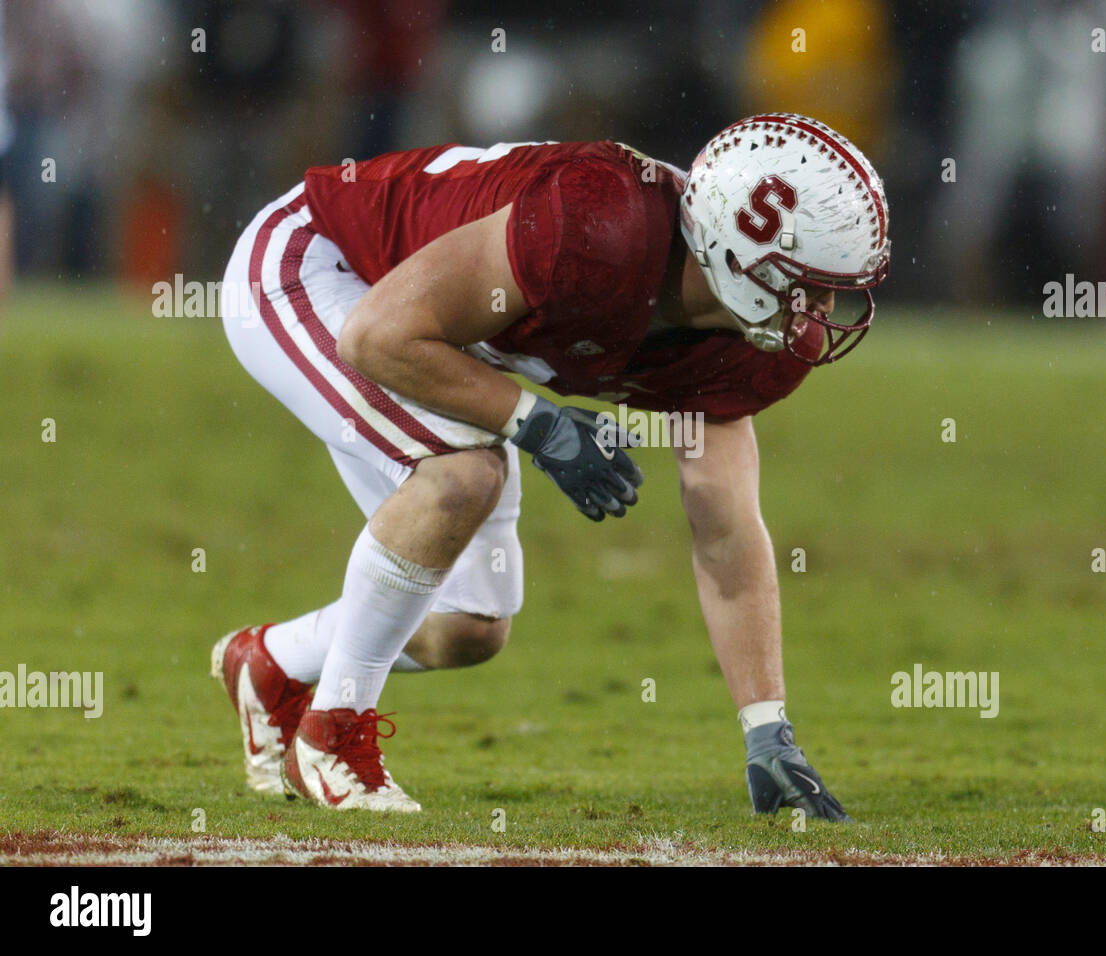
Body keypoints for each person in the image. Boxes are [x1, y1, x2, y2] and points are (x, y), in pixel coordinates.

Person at [213, 113, 890, 818]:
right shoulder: (601, 223)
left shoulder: (753, 343)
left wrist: (767, 732)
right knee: (463, 474)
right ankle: (334, 735)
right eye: (810, 283)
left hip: (433, 328)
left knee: (471, 623)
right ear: (736, 258)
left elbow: (725, 528)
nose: (823, 309)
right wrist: (536, 425)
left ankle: (274, 664)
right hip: (318, 264)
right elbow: (379, 335)